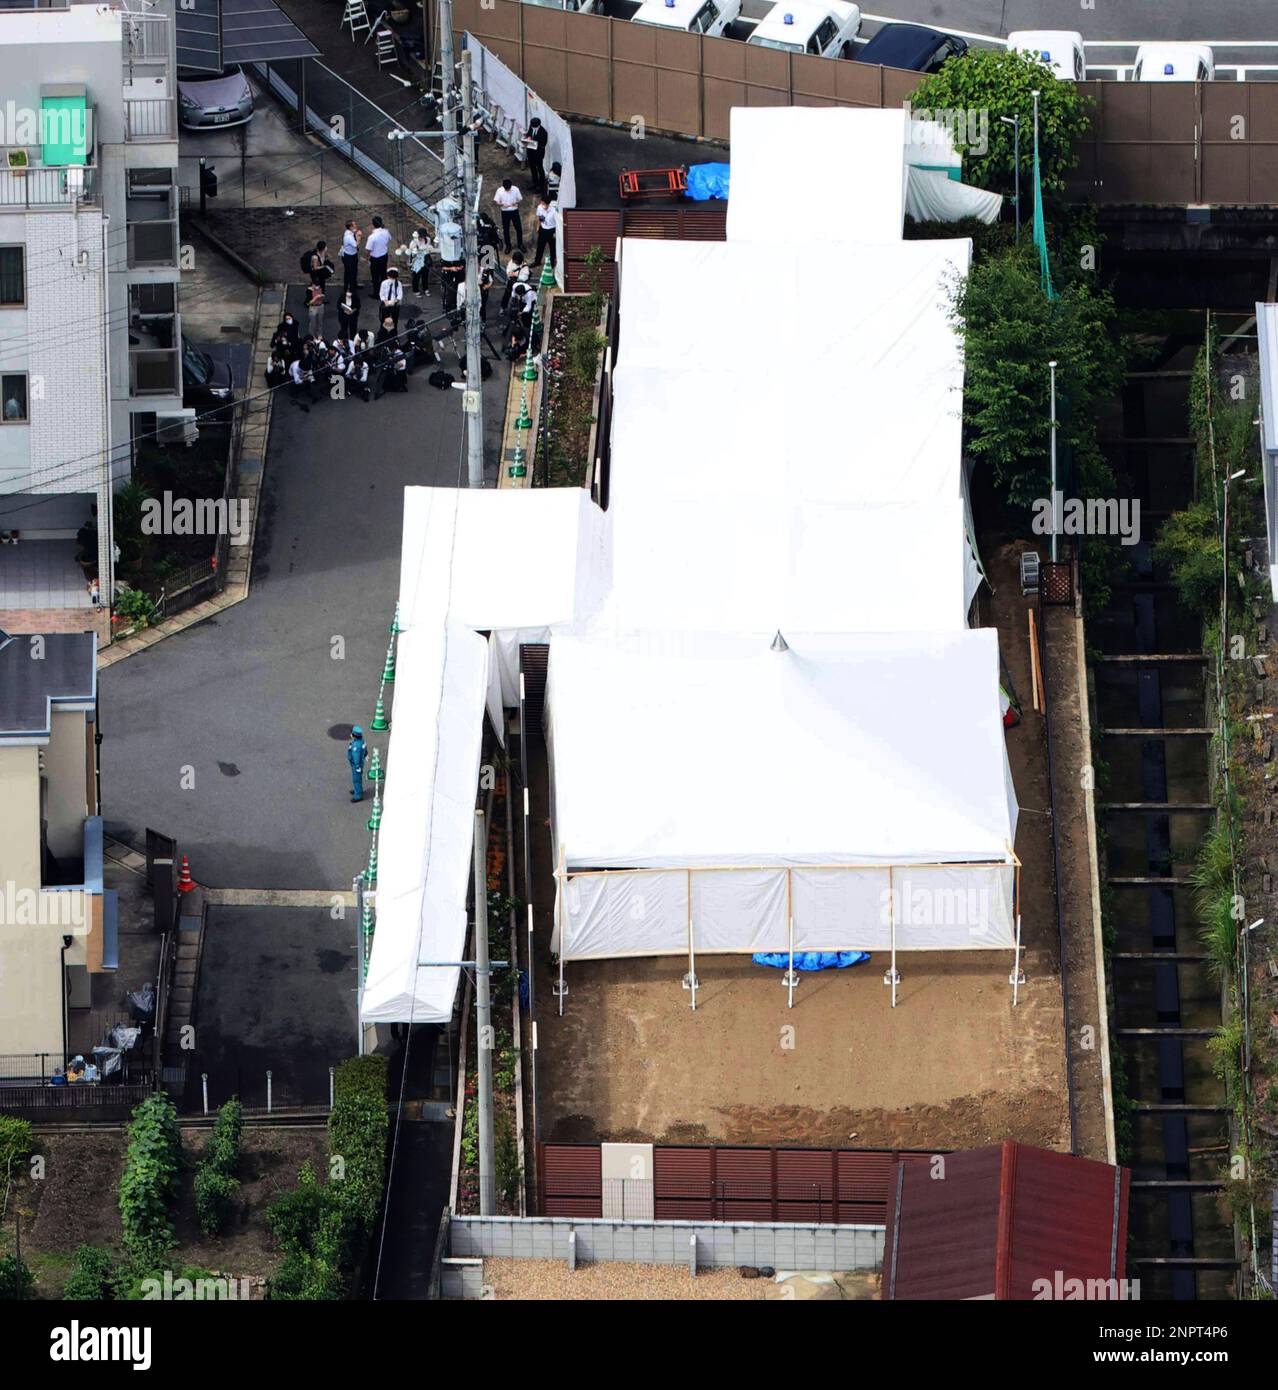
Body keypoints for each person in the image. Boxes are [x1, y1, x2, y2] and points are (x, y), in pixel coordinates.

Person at [494, 178, 523, 252]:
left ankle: (520, 244)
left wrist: (516, 202)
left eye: (509, 189)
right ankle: (508, 245)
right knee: (506, 230)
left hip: (514, 211)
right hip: (505, 212)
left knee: (519, 228)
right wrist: (502, 204)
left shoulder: (516, 189)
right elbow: (496, 202)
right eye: (506, 189)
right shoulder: (499, 191)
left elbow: (520, 199)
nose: (508, 190)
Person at [366, 215, 392, 297]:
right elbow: (389, 239)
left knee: (375, 276)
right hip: (384, 256)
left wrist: (366, 258)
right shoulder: (386, 232)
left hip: (375, 258)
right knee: (383, 274)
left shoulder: (372, 237)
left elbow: (368, 249)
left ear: (373, 224)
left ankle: (377, 293)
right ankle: (385, 291)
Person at [523, 117, 549, 195]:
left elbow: (543, 144)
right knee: (532, 168)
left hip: (538, 153)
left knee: (540, 169)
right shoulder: (531, 128)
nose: (532, 127)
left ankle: (541, 186)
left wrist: (534, 142)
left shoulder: (543, 132)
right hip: (530, 152)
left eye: (534, 126)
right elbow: (528, 133)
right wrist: (528, 138)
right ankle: (535, 183)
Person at [405, 227, 433, 297]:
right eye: (421, 236)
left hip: (425, 258)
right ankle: (415, 290)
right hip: (417, 260)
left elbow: (428, 248)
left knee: (425, 275)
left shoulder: (428, 239)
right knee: (416, 276)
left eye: (424, 236)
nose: (422, 237)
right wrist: (411, 262)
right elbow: (411, 253)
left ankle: (425, 288)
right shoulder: (413, 242)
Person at [501, 249, 528, 314]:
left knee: (520, 298)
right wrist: (511, 274)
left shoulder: (524, 266)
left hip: (520, 284)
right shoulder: (511, 263)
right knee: (507, 295)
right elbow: (508, 271)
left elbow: (525, 277)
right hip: (511, 283)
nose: (513, 261)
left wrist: (517, 275)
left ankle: (521, 311)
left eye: (515, 261)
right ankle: (503, 307)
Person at [534, 198, 558, 267]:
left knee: (552, 248)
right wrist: (538, 227)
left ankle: (552, 262)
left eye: (544, 204)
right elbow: (539, 217)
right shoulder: (539, 207)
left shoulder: (554, 211)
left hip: (551, 230)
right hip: (543, 229)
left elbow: (557, 223)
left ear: (548, 204)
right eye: (542, 203)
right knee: (540, 247)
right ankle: (537, 261)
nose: (542, 205)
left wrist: (555, 233)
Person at [347, 726, 368, 802]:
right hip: (360, 764)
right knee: (358, 778)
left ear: (354, 735)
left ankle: (358, 795)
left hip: (356, 766)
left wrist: (357, 767)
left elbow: (356, 758)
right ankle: (358, 789)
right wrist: (366, 754)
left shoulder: (356, 746)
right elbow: (365, 748)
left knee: (356, 779)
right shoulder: (361, 741)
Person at [340, 219, 361, 293]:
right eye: (354, 224)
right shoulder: (349, 236)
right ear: (351, 227)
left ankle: (353, 285)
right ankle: (348, 288)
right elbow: (356, 245)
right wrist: (358, 237)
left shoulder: (350, 232)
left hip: (352, 255)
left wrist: (355, 232)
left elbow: (354, 232)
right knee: (349, 272)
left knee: (354, 271)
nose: (356, 225)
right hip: (349, 257)